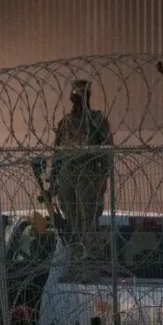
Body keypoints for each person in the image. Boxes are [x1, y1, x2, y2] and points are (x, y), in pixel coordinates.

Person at [48, 79, 113, 249]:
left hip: (88, 172)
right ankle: (74, 251)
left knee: (88, 219)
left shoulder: (97, 121)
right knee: (70, 218)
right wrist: (53, 180)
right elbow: (57, 153)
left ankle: (87, 254)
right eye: (77, 97)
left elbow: (107, 151)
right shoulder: (66, 123)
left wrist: (103, 178)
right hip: (67, 173)